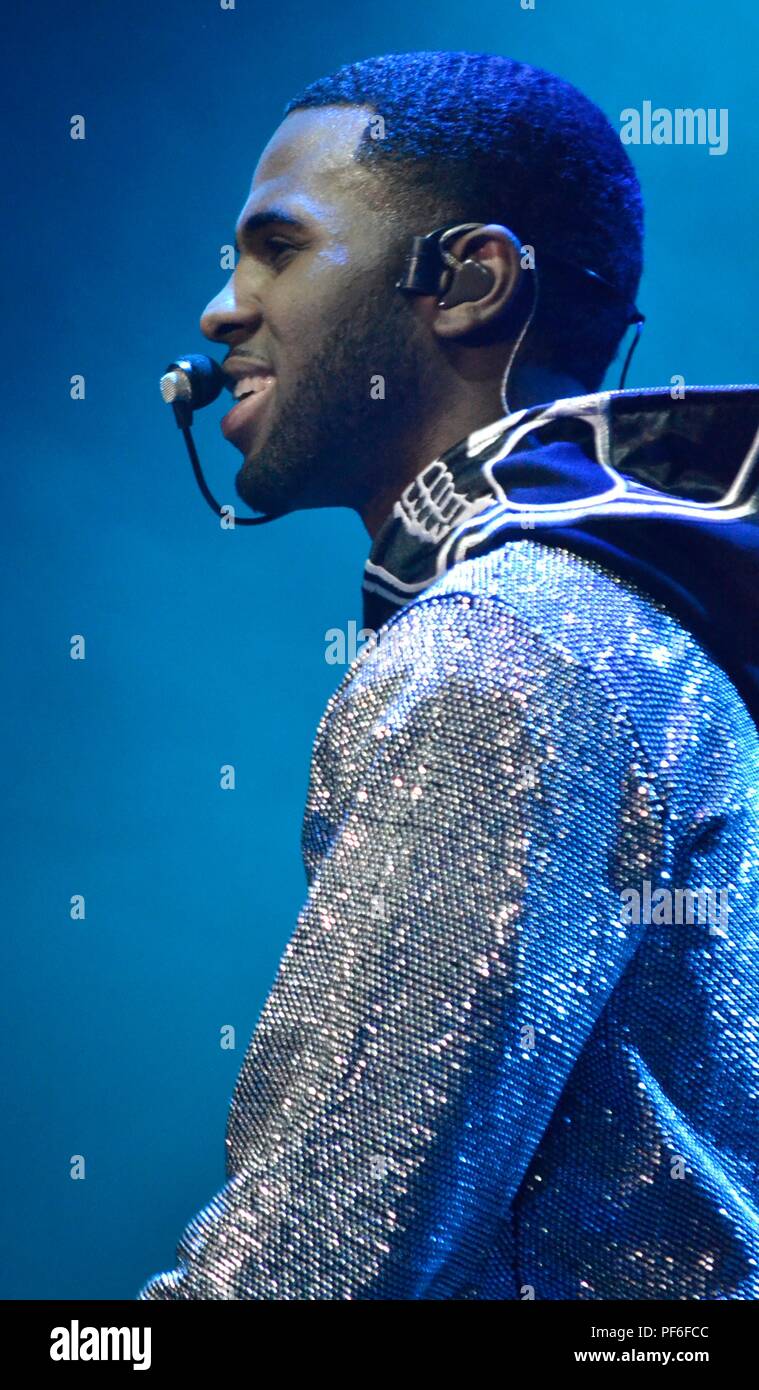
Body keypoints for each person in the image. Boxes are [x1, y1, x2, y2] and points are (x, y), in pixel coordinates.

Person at [138, 51, 759, 1300]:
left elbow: (315, 1263)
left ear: (469, 282)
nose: (221, 307)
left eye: (276, 247)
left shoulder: (498, 650)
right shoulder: (636, 621)